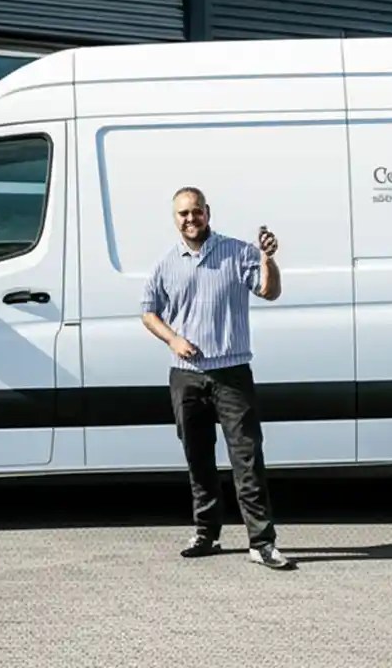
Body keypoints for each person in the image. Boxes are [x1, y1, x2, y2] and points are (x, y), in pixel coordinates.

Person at [139, 186, 295, 571]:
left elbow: (269, 291)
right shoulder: (166, 264)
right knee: (198, 457)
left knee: (247, 457)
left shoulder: (238, 252)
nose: (191, 219)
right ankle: (206, 532)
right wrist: (173, 339)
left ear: (207, 212)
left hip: (232, 373)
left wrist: (268, 259)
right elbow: (148, 312)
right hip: (187, 377)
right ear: (175, 218)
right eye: (183, 214)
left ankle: (261, 542)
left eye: (196, 211)